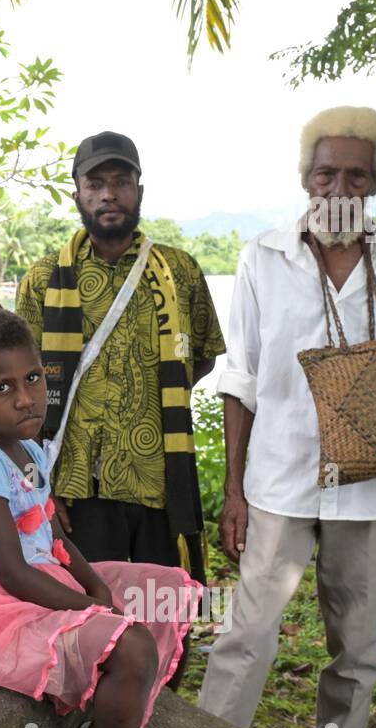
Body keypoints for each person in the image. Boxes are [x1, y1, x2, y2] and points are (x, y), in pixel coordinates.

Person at [198, 106, 376, 728]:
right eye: (326, 172)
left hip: (375, 488)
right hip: (281, 479)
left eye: (357, 175)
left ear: (375, 183)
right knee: (246, 636)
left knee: (356, 652)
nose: (339, 189)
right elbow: (240, 378)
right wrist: (235, 490)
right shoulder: (265, 257)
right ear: (306, 176)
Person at [0, 308, 201, 728]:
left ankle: (115, 727)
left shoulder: (29, 447)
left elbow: (53, 533)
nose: (26, 399)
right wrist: (89, 607)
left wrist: (95, 584)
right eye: (2, 387)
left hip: (41, 574)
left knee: (165, 592)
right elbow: (14, 572)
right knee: (131, 644)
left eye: (33, 378)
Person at [16, 131, 225, 584]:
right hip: (74, 488)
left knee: (166, 606)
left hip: (160, 481)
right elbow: (24, 389)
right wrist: (40, 486)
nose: (108, 194)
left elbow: (201, 359)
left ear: (139, 191)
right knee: (89, 615)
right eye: (95, 184)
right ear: (77, 195)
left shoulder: (180, 272)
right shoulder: (43, 278)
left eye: (121, 181)